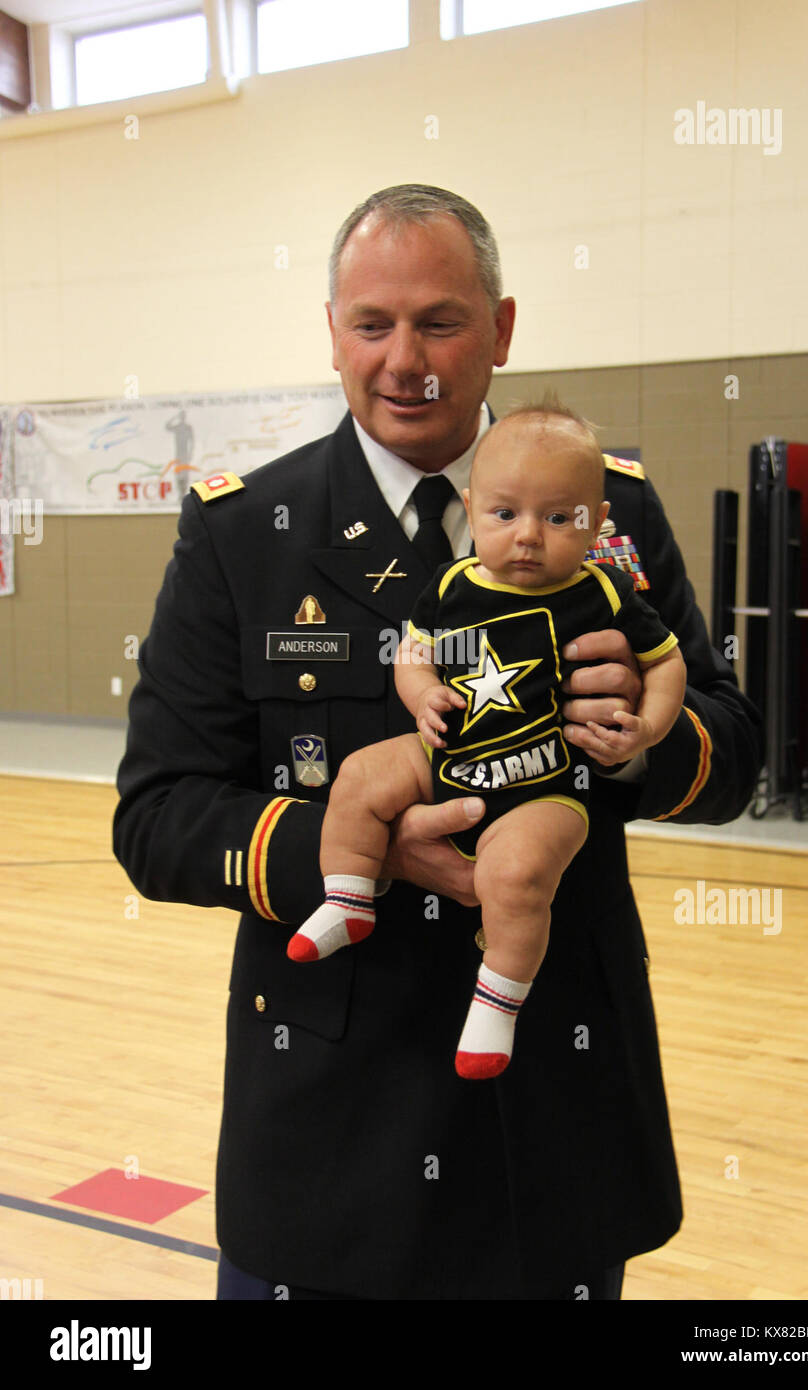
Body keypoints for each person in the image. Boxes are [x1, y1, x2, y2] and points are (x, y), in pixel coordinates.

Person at [113, 183, 761, 1301]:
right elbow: (158, 817)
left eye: (440, 321)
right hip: (327, 1131)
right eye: (371, 324)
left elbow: (729, 753)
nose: (402, 359)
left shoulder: (602, 508)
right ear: (331, 332)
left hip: (550, 1121)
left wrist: (636, 738)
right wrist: (352, 848)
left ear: (501, 329)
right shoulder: (240, 534)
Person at [288, 407, 687, 1083]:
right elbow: (410, 656)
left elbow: (669, 663)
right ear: (474, 510)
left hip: (545, 785)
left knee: (517, 876)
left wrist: (645, 729)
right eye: (506, 515)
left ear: (596, 518)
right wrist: (422, 698)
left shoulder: (603, 594)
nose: (529, 536)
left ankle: (496, 1003)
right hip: (451, 755)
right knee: (358, 777)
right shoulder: (450, 586)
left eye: (559, 519)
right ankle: (349, 896)